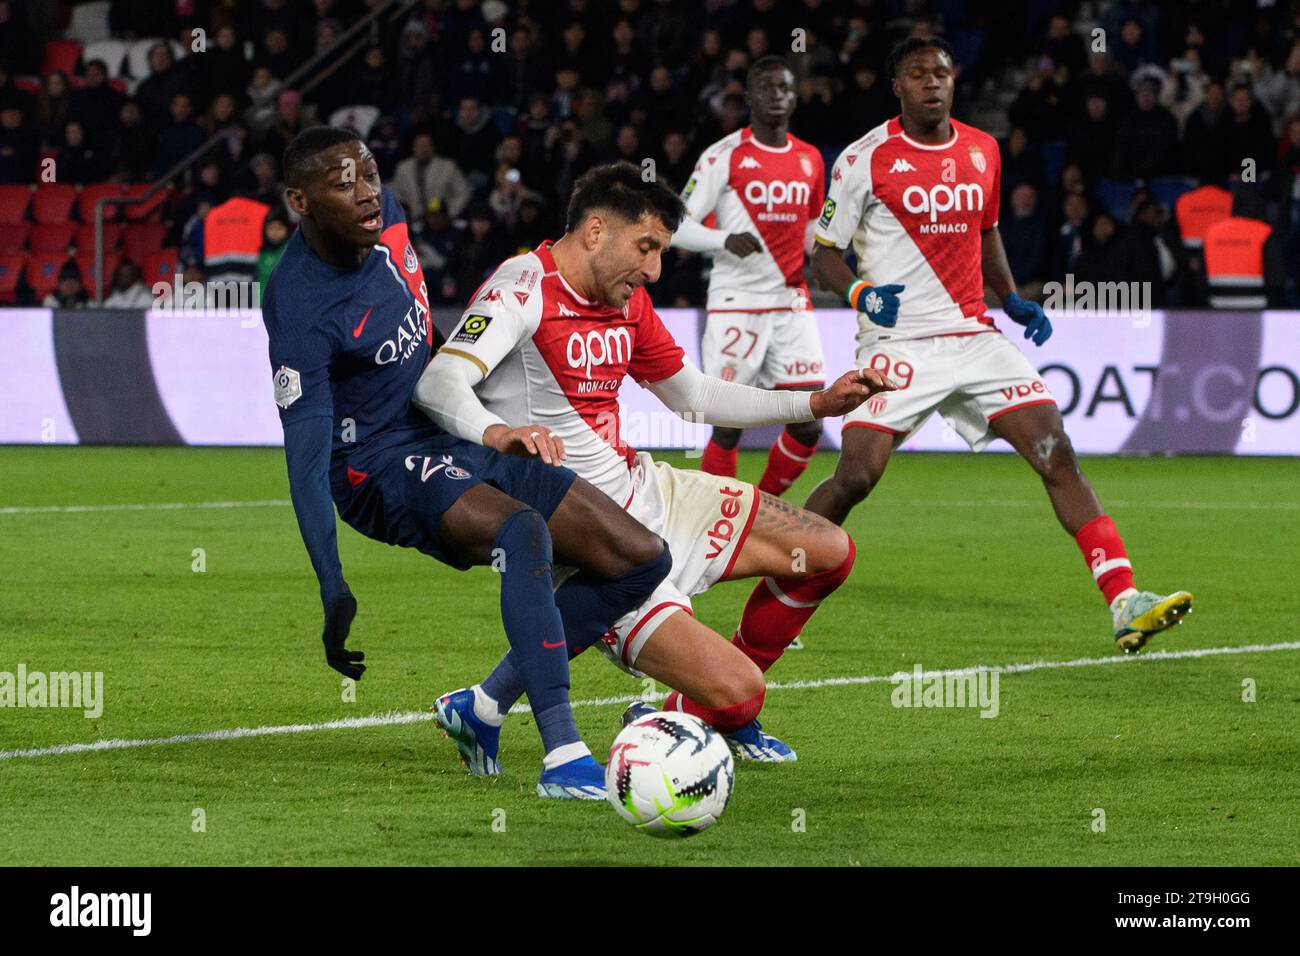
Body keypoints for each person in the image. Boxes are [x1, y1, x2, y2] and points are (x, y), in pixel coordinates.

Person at [414, 161, 893, 769]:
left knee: (828, 552)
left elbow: (693, 396)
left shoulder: (626, 299)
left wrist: (816, 401)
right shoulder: (522, 287)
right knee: (743, 691)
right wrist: (498, 431)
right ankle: (716, 708)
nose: (655, 269)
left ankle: (689, 709)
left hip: (652, 492)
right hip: (599, 542)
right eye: (646, 247)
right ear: (594, 231)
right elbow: (439, 380)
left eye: (662, 251)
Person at [262, 127, 673, 799]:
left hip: (448, 431)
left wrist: (476, 406)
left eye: (370, 174)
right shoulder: (299, 304)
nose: (368, 195)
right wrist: (331, 585)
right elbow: (306, 455)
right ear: (299, 202)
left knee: (640, 557)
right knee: (523, 531)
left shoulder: (386, 217)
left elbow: (426, 336)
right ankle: (564, 753)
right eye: (345, 185)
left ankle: (479, 708)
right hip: (378, 465)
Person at [805, 37, 1192, 652]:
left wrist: (1010, 298)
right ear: (897, 87)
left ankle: (1123, 598)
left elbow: (986, 230)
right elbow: (822, 253)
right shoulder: (863, 158)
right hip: (898, 342)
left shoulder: (983, 149)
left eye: (943, 72)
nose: (933, 82)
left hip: (975, 336)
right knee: (855, 476)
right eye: (918, 74)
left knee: (1055, 450)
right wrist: (858, 295)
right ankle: (786, 569)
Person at [671, 56, 829, 498]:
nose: (775, 96)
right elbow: (677, 225)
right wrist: (724, 239)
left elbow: (813, 229)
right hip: (735, 301)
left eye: (783, 88)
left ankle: (764, 507)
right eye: (766, 88)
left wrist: (833, 259)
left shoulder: (810, 158)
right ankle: (715, 515)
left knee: (810, 421)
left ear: (794, 97)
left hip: (790, 302)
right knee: (727, 425)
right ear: (750, 97)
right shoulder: (723, 155)